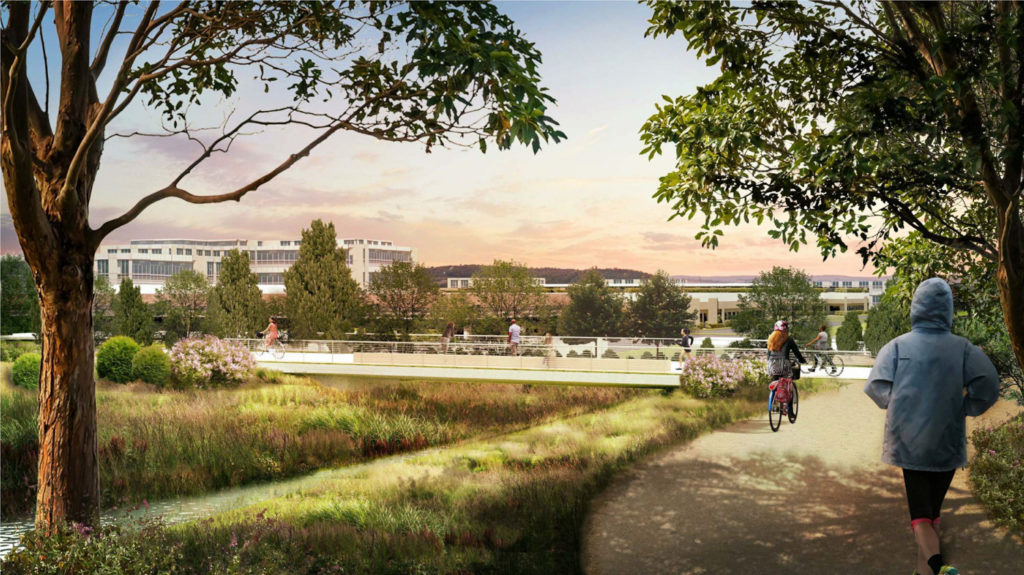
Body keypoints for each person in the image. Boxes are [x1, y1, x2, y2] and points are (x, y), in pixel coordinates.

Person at [864, 278, 999, 575]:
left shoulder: (897, 346)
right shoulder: (963, 349)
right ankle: (923, 571)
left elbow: (875, 386)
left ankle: (938, 566)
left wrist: (898, 405)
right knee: (933, 513)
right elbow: (989, 385)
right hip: (946, 443)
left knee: (920, 517)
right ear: (947, 309)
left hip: (909, 443)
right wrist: (968, 407)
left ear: (916, 307)